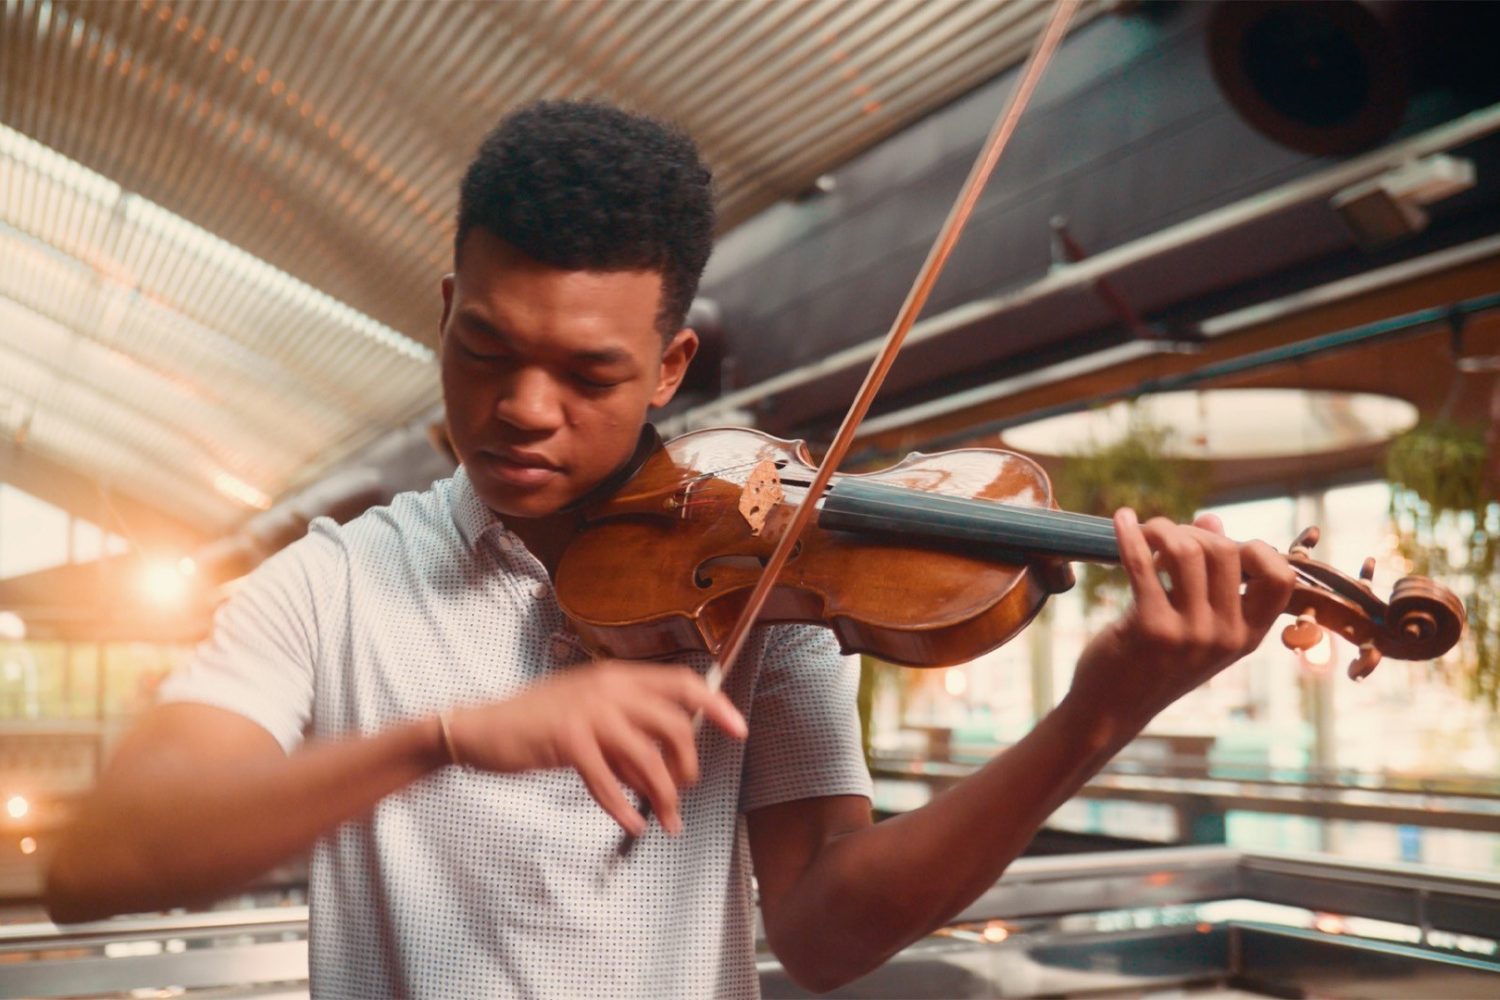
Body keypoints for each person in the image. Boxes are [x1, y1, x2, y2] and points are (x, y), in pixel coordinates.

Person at [45, 101, 1295, 997]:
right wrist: (444, 738)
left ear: (670, 366)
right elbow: (101, 864)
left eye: (589, 371)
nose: (524, 407)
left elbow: (822, 936)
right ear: (443, 313)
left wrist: (1097, 713)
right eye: (486, 347)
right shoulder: (331, 585)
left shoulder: (762, 586)